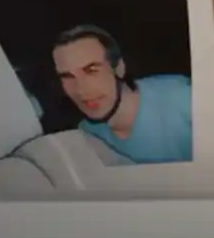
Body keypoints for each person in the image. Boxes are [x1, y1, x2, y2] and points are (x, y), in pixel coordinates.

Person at [51, 24, 193, 164]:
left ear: (118, 68)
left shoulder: (183, 98)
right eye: (67, 76)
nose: (81, 90)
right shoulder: (87, 135)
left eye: (91, 70)